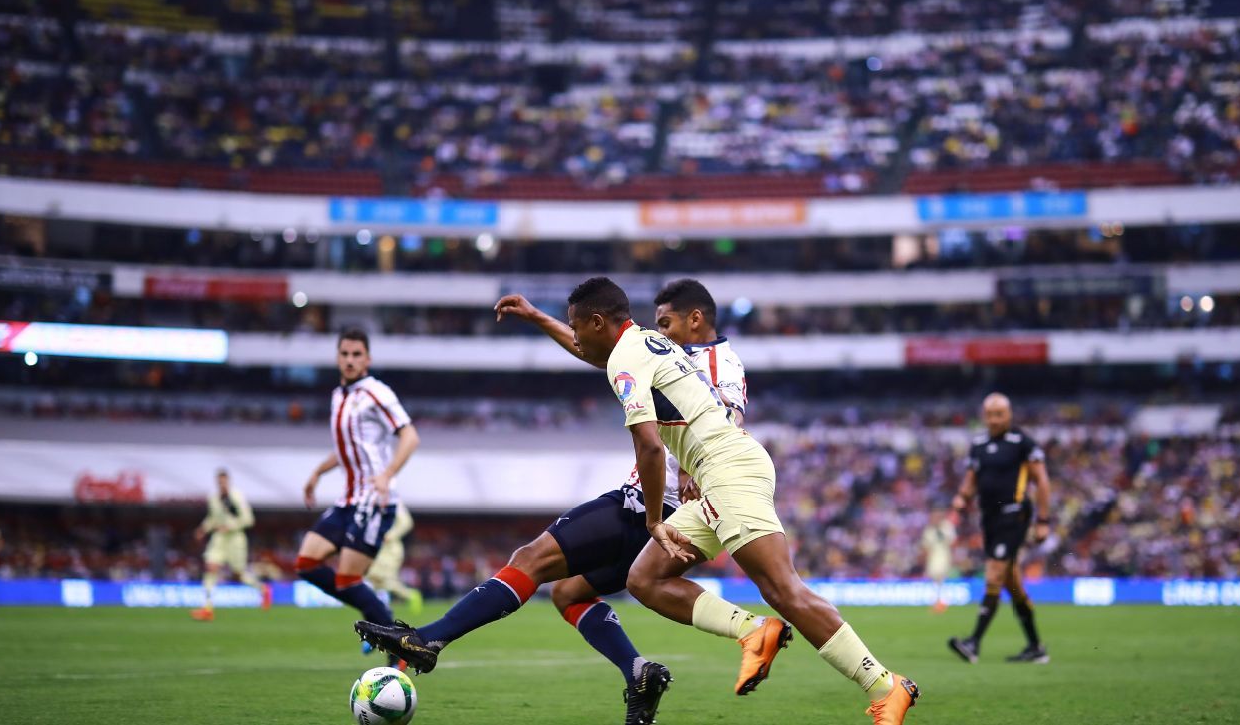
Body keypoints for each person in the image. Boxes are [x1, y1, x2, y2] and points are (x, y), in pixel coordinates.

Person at [361, 278, 919, 725]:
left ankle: (885, 687)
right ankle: (753, 631)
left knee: (784, 590)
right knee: (645, 580)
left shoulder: (644, 355)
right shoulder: (650, 343)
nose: (578, 339)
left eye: (581, 328)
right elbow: (599, 358)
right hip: (716, 473)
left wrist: (654, 519)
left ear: (599, 322)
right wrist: (540, 319)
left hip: (723, 473)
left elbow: (650, 446)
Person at [356, 279, 744, 725]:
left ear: (695, 320)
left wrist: (686, 483)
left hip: (655, 505)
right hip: (666, 506)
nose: (661, 329)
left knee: (532, 558)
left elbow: (722, 419)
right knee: (569, 591)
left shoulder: (717, 360)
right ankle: (639, 673)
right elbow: (596, 352)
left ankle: (428, 640)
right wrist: (538, 317)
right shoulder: (657, 349)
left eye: (667, 321)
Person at [298, 328, 420, 668]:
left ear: (367, 359)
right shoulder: (339, 396)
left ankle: (401, 649)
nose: (350, 360)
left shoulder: (376, 392)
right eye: (345, 354)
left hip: (374, 500)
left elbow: (410, 436)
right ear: (338, 358)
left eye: (356, 355)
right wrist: (318, 472)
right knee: (306, 563)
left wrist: (386, 474)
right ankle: (379, 619)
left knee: (347, 579)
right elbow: (346, 449)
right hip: (347, 499)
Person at [947, 393, 1052, 664]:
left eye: (999, 414)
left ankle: (973, 643)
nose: (994, 420)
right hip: (990, 519)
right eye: (990, 415)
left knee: (994, 574)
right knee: (1011, 582)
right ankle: (1035, 647)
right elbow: (971, 480)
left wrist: (1043, 520)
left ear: (1009, 415)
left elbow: (1041, 481)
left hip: (1014, 515)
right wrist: (961, 499)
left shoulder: (1023, 444)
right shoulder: (979, 445)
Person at [190, 468, 271, 621]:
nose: (221, 484)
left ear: (228, 481)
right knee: (210, 567)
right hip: (219, 538)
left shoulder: (237, 497)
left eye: (224, 481)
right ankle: (207, 608)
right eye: (219, 481)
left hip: (236, 539)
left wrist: (230, 526)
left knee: (238, 575)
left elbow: (249, 519)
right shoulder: (213, 498)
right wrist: (202, 529)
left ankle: (263, 589)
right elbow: (212, 518)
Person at [365, 502, 424, 616]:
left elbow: (406, 522)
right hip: (377, 547)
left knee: (380, 577)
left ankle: (410, 595)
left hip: (390, 549)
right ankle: (379, 608)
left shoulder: (393, 501)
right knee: (374, 579)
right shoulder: (370, 499)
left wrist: (390, 535)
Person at [920, 509, 956, 613]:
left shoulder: (947, 526)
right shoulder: (929, 529)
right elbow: (926, 546)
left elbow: (952, 541)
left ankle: (942, 602)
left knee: (941, 579)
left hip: (944, 556)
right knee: (935, 580)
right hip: (933, 558)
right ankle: (938, 602)